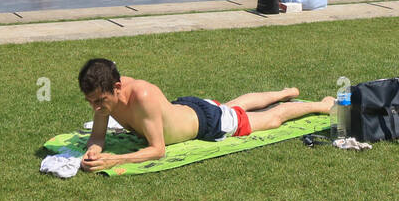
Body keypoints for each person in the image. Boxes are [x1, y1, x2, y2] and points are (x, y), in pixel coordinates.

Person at [77, 58, 334, 170]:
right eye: (92, 102)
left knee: (272, 119)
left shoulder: (141, 96)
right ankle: (283, 91)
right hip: (188, 109)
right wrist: (94, 151)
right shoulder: (104, 96)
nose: (97, 108)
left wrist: (116, 160)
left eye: (100, 101)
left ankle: (320, 105)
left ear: (118, 88)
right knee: (234, 106)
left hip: (209, 123)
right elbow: (98, 136)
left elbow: (158, 150)